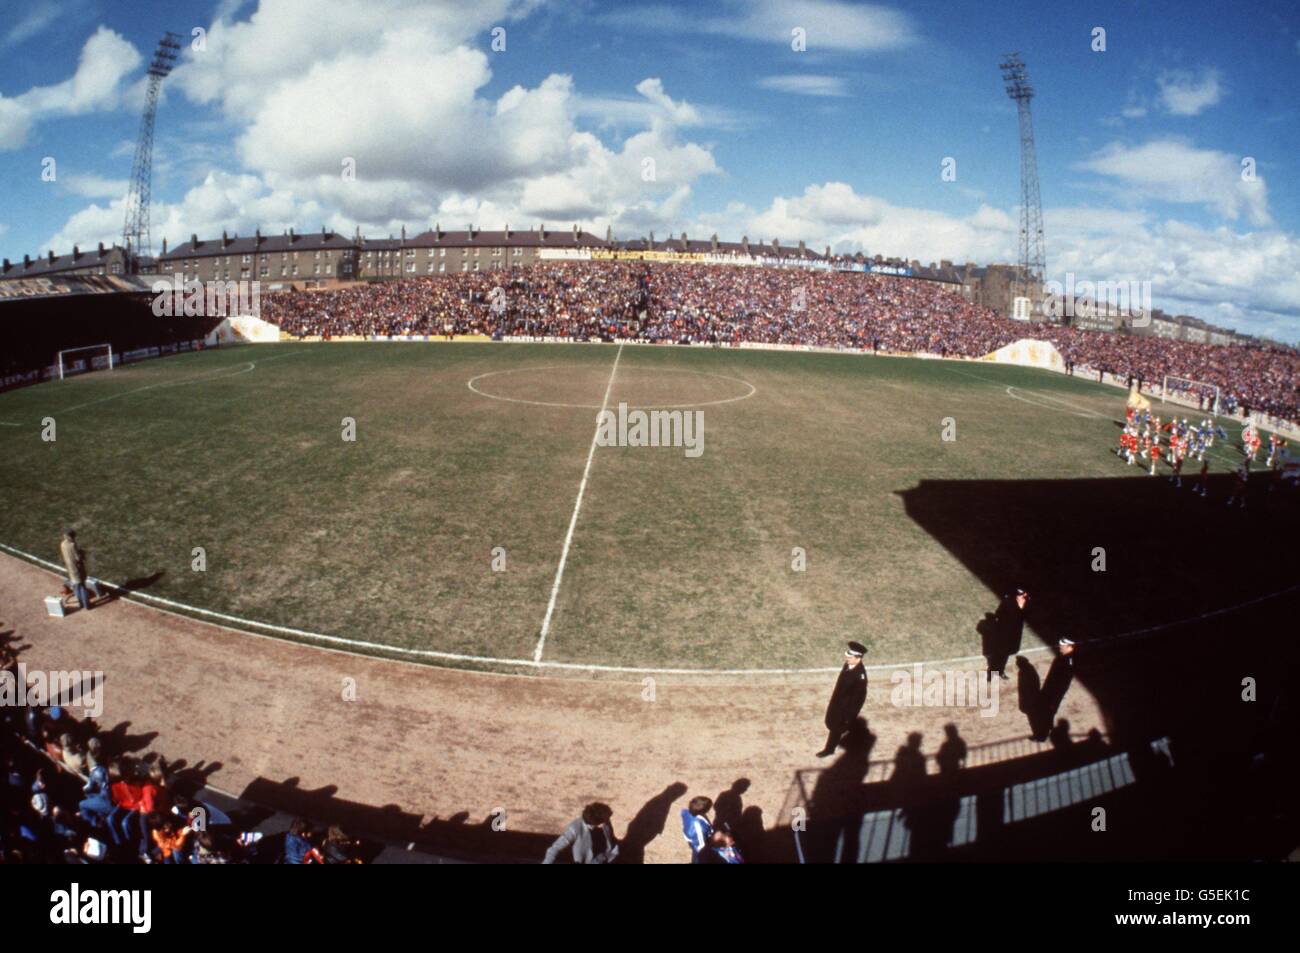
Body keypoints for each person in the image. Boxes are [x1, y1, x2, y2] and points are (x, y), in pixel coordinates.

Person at [818, 641, 869, 757]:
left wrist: (849, 717)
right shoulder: (848, 665)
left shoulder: (860, 677)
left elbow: (858, 700)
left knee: (836, 729)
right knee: (837, 726)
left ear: (858, 658)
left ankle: (829, 749)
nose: (847, 658)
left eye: (850, 657)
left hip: (845, 711)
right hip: (837, 704)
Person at [542, 802, 620, 864]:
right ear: (597, 823)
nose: (607, 822)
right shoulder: (574, 829)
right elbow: (554, 849)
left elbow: (611, 839)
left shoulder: (604, 821)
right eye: (605, 821)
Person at [680, 796, 714, 863]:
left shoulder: (687, 812)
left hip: (694, 840)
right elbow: (701, 845)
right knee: (698, 859)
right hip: (698, 845)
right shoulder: (699, 827)